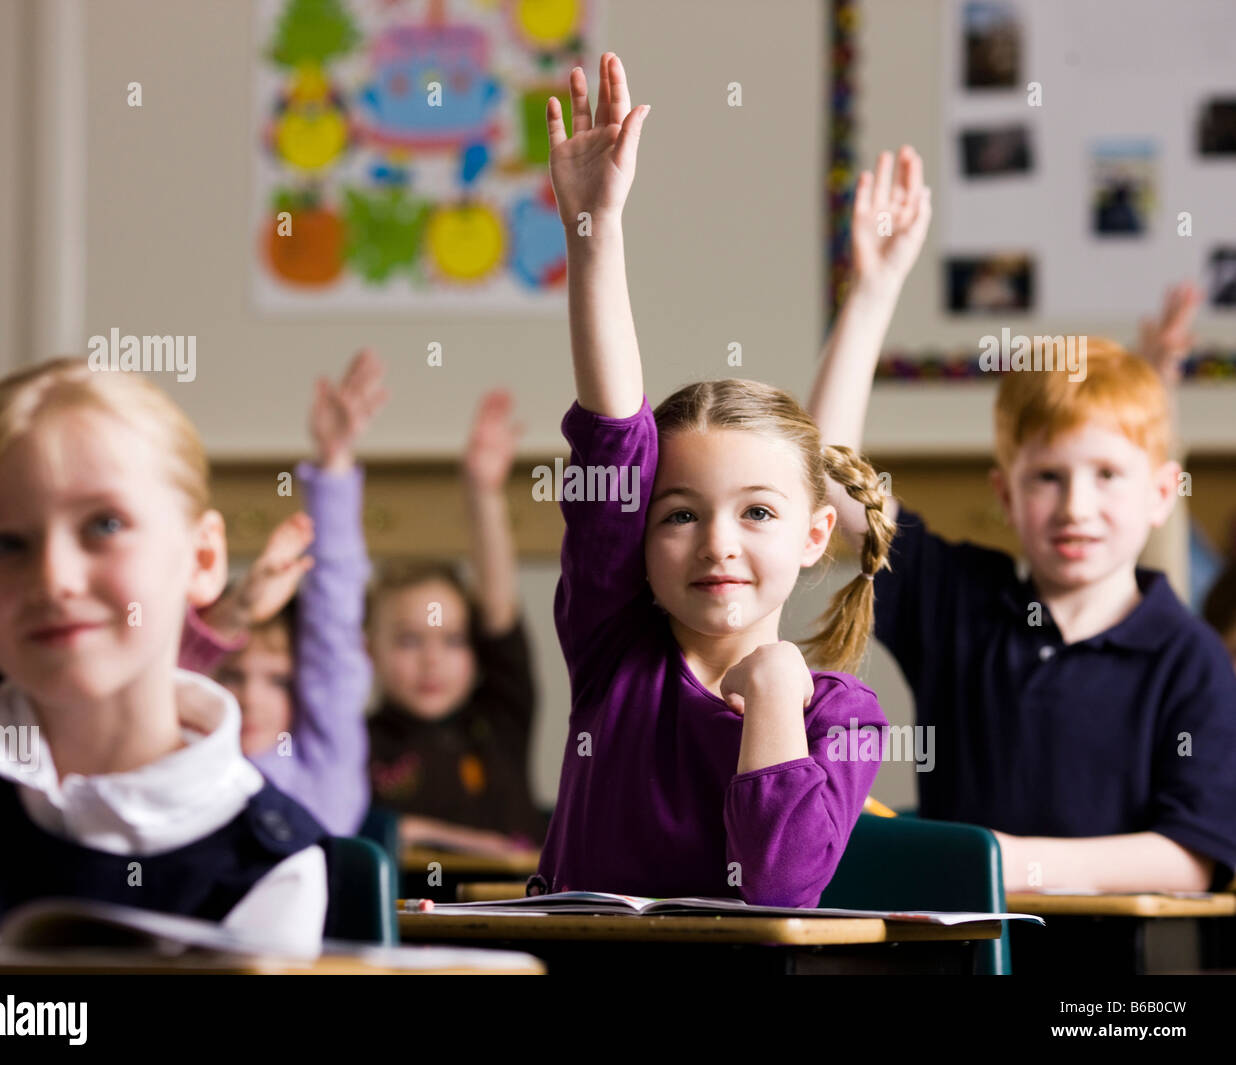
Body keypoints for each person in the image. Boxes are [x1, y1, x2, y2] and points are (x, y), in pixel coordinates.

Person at [809, 147, 1236, 893]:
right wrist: (872, 293)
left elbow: (1191, 857)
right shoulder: (960, 600)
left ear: (1162, 492)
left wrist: (1010, 860)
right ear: (1006, 495)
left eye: (1108, 476)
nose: (1076, 505)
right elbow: (830, 477)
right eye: (1048, 477)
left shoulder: (1188, 655)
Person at [530, 55, 891, 907]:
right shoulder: (613, 643)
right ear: (639, 541)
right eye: (680, 515)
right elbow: (615, 437)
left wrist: (773, 690)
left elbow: (781, 886)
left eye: (757, 512)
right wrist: (594, 229)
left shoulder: (842, 716)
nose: (717, 543)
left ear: (814, 537)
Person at [0, 359, 328, 953]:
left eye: (105, 524)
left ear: (201, 560)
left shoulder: (271, 864)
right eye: (5, 544)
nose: (54, 579)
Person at [183, 349, 383, 837]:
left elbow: (334, 621)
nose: (251, 698)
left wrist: (334, 465)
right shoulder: (183, 764)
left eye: (277, 680)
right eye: (232, 675)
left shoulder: (323, 762)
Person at [367, 391, 546, 853]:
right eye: (409, 641)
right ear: (369, 650)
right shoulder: (356, 741)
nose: (432, 661)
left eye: (452, 641)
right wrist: (457, 842)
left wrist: (483, 493)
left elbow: (499, 607)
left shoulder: (499, 718)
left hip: (518, 919)